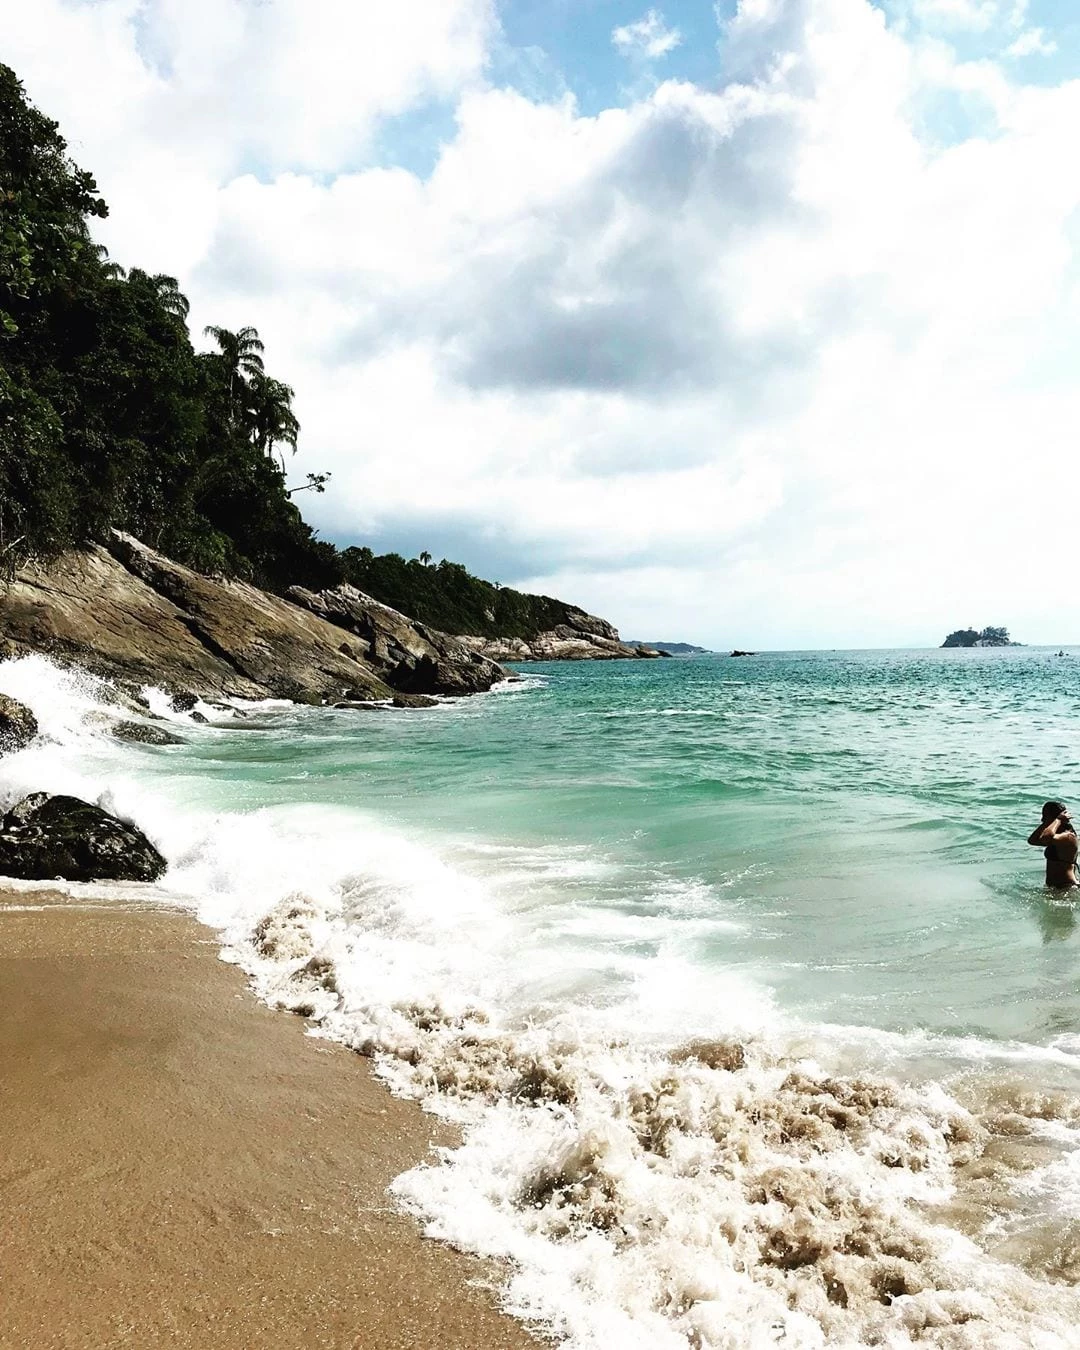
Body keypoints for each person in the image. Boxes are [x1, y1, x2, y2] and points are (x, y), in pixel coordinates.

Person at [1028, 801, 1078, 888]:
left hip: (1066, 888)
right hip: (1056, 888)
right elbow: (1032, 841)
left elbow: (1045, 838)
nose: (1042, 819)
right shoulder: (1056, 837)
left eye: (1045, 816)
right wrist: (1047, 823)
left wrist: (1057, 820)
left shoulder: (1068, 836)